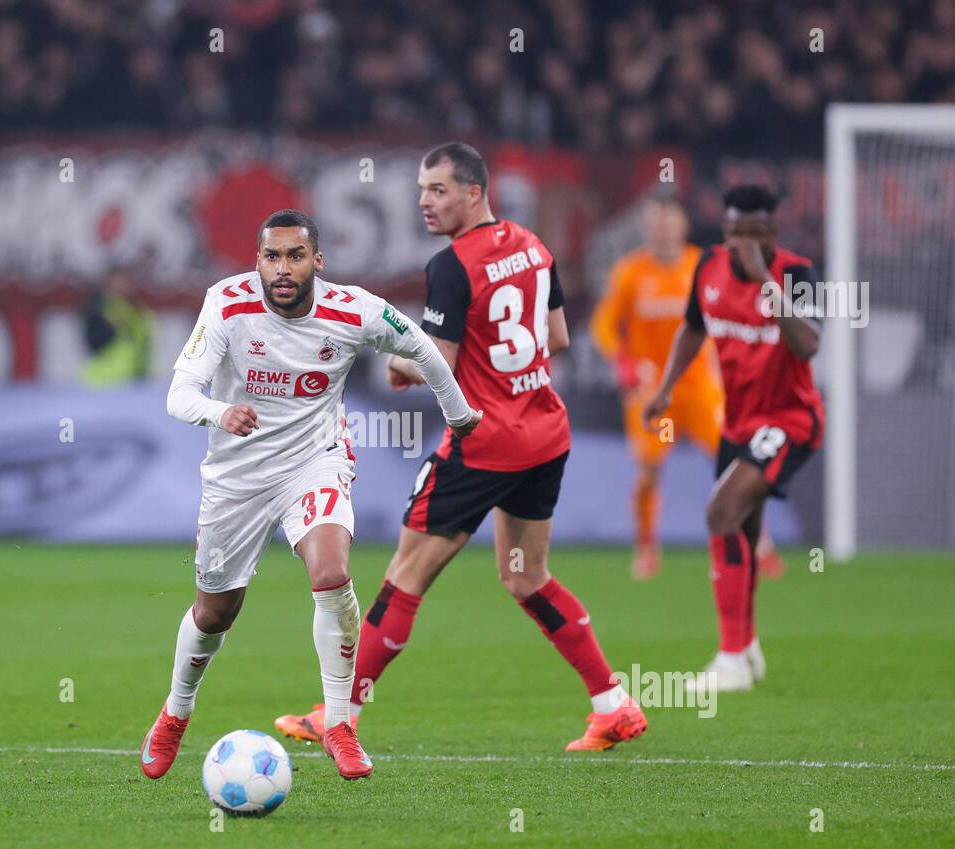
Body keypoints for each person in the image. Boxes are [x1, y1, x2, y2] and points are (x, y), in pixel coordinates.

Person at [276, 143, 647, 753]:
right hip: (544, 434)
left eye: (439, 190)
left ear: (475, 193)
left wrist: (400, 364)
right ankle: (613, 704)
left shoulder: (452, 265)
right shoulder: (533, 244)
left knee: (404, 575)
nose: (425, 200)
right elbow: (554, 337)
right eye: (422, 188)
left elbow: (437, 363)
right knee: (526, 577)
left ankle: (336, 714)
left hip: (483, 443)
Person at [141, 209, 482, 781]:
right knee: (215, 610)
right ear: (257, 262)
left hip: (314, 463)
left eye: (294, 256)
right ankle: (176, 712)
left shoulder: (352, 310)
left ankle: (341, 724)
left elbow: (421, 346)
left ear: (316, 262)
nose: (281, 268)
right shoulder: (226, 303)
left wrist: (459, 411)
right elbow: (179, 394)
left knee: (330, 574)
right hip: (236, 478)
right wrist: (222, 411)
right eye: (271, 256)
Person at [643, 185, 823, 692]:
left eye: (755, 232)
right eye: (734, 231)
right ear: (723, 230)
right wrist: (664, 390)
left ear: (773, 233)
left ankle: (730, 660)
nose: (743, 241)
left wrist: (766, 279)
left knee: (720, 512)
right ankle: (746, 650)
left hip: (790, 422)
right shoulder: (708, 267)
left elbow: (808, 344)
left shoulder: (797, 273)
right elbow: (693, 329)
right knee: (740, 530)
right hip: (738, 423)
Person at [591, 196, 786, 580]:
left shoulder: (706, 265)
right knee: (649, 471)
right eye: (655, 222)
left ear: (683, 225)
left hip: (699, 389)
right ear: (646, 228)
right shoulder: (630, 273)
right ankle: (647, 549)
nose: (661, 229)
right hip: (652, 391)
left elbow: (738, 312)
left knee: (736, 464)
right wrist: (623, 361)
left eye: (668, 221)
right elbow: (603, 326)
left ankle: (758, 543)